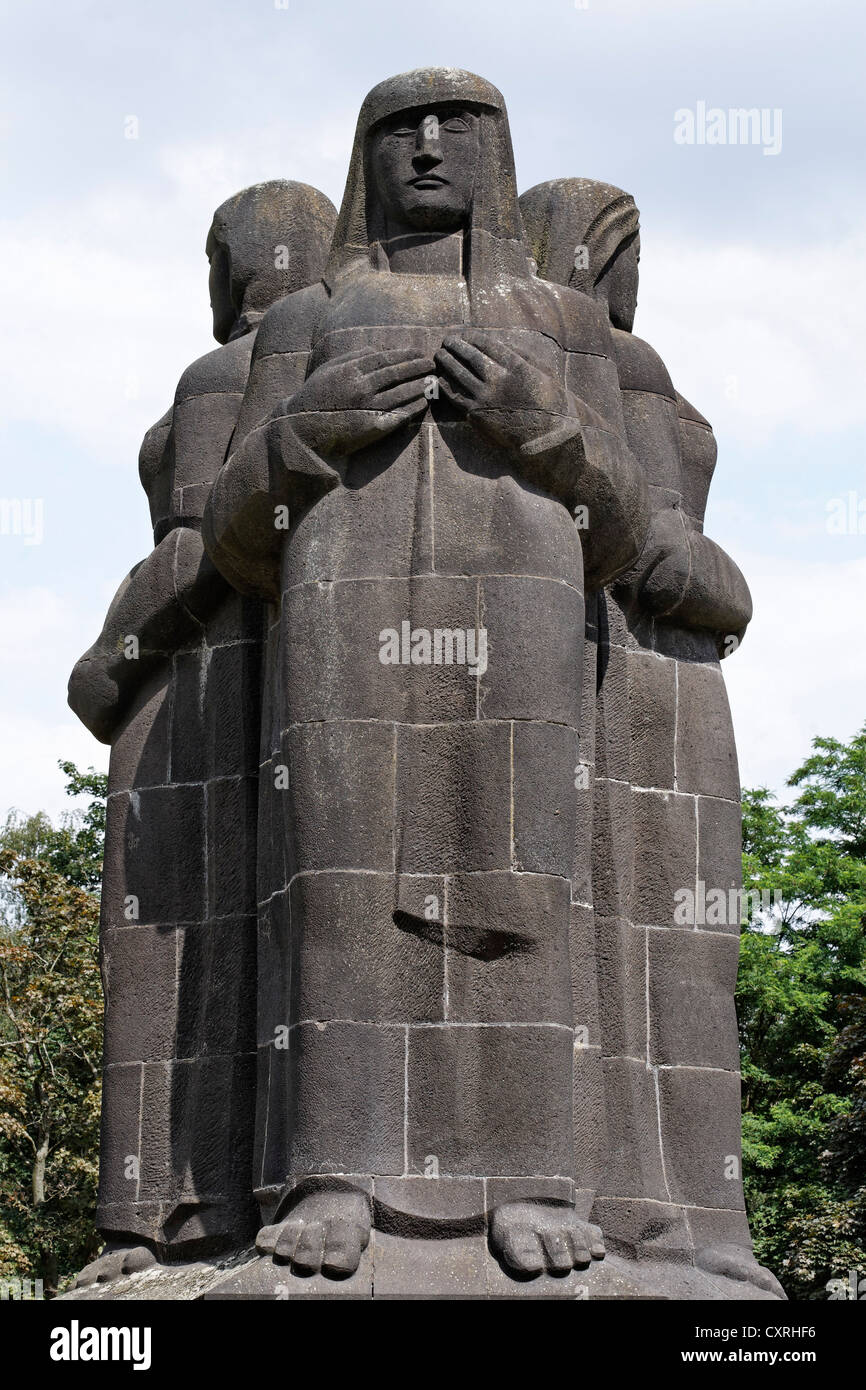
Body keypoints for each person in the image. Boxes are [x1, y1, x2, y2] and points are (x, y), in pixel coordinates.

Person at [203, 69, 649, 1283]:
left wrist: (543, 421)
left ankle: (529, 1178)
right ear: (363, 159)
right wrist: (309, 431)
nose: (428, 148)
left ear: (500, 156)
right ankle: (334, 1172)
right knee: (338, 882)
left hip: (524, 625)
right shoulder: (306, 324)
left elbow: (628, 528)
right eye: (398, 130)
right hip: (341, 629)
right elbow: (232, 537)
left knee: (522, 878)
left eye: (456, 128)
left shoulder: (559, 322)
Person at [68, 181, 337, 1286]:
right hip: (278, 684)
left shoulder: (223, 373)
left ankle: (154, 1226)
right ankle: (242, 1204)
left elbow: (190, 551)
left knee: (168, 962)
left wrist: (103, 664)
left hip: (193, 694)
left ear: (232, 264)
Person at [520, 177, 782, 1295]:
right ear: (590, 254)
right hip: (632, 672)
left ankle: (672, 1221)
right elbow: (664, 554)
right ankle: (670, 1226)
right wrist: (709, 577)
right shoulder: (618, 365)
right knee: (647, 963)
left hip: (633, 674)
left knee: (656, 963)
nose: (636, 278)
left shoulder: (612, 362)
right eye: (625, 250)